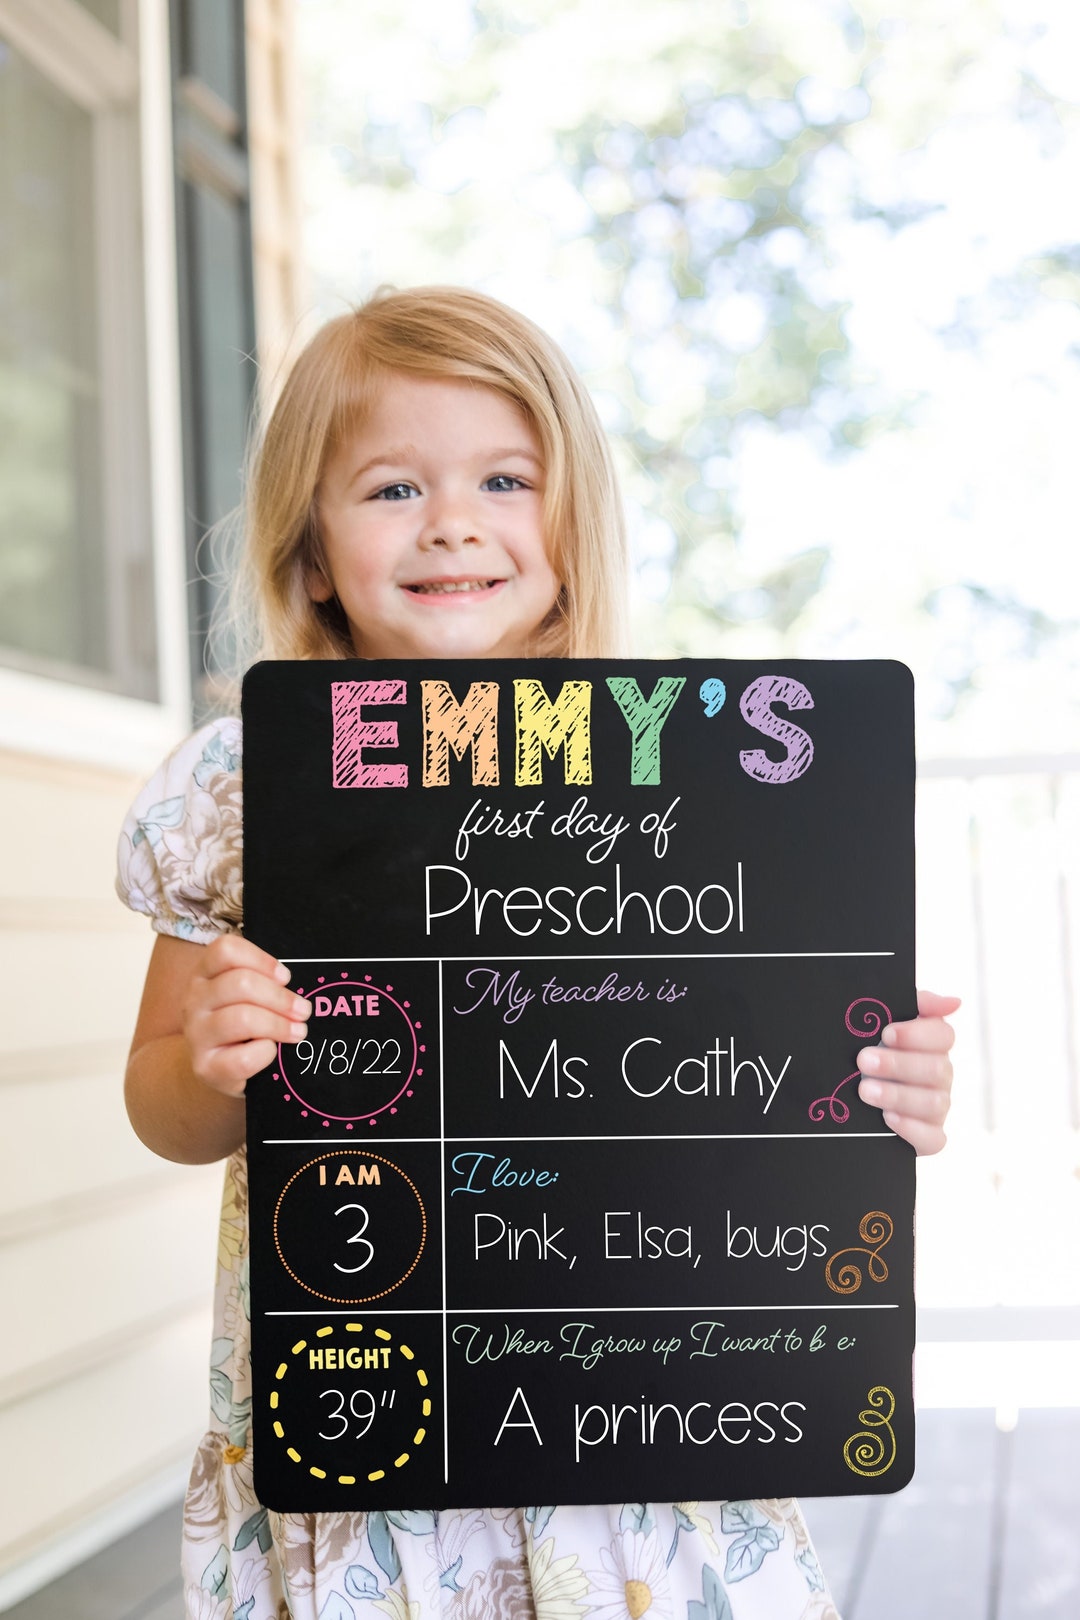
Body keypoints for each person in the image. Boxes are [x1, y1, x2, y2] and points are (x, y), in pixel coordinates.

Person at [117, 285, 959, 1620]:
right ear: (315, 551)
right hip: (368, 1414)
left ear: (570, 528)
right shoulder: (239, 788)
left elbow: (778, 1071)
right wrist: (214, 1063)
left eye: (504, 478)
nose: (453, 521)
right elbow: (163, 1101)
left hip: (651, 1438)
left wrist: (880, 1090)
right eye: (393, 488)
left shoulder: (700, 772)